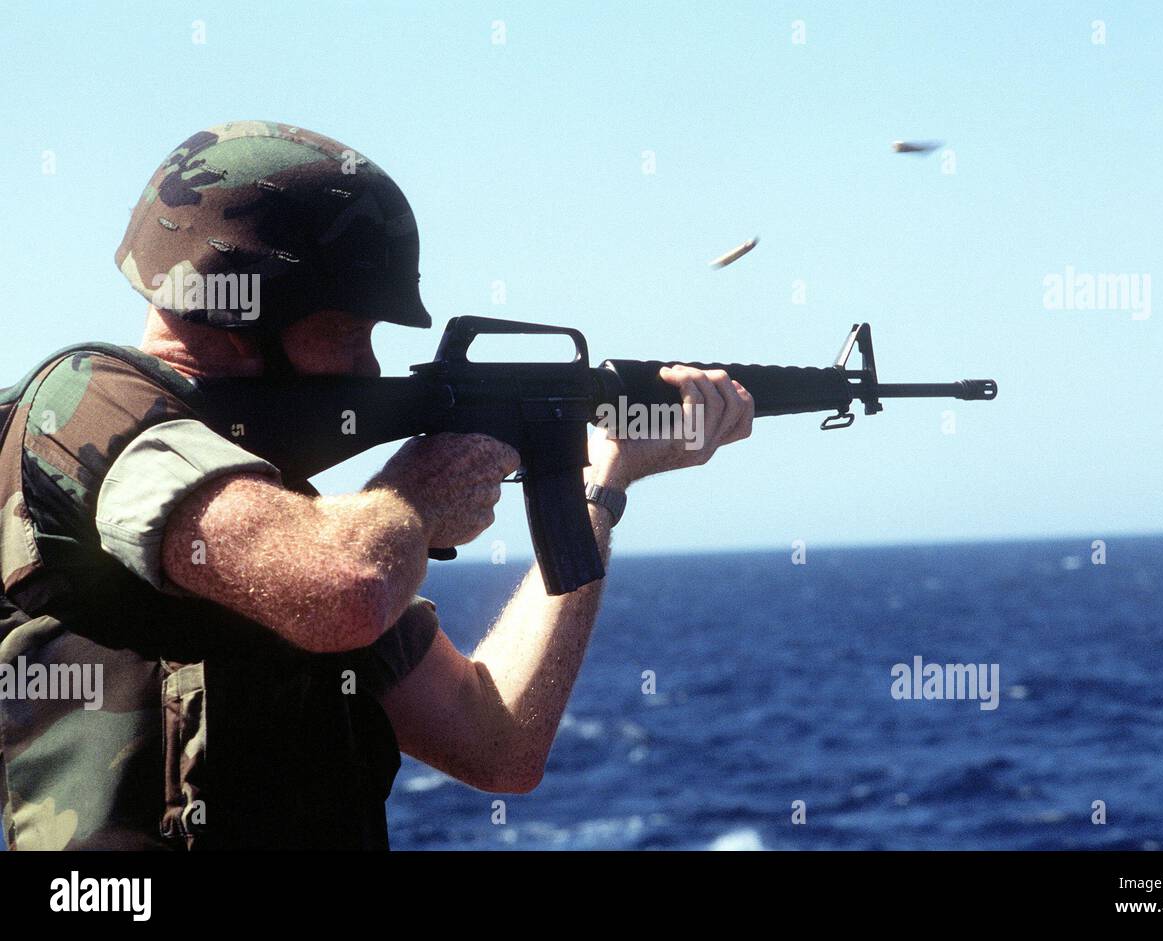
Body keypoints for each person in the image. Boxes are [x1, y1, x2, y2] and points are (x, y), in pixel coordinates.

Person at [0, 121, 753, 850]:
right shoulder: (82, 408)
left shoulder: (297, 525)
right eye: (348, 330)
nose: (368, 368)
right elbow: (347, 586)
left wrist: (604, 478)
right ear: (242, 312)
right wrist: (417, 496)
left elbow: (499, 741)